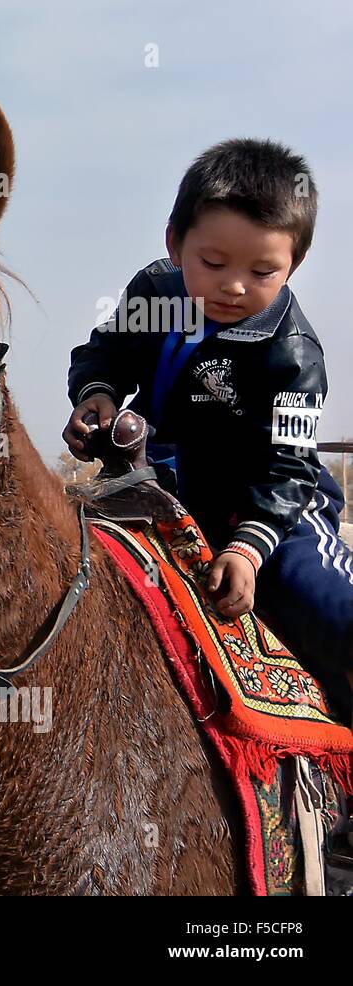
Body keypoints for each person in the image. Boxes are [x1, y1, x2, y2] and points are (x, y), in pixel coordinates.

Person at [63, 139, 353, 704]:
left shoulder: (292, 352)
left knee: (332, 615)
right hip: (160, 492)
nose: (235, 286)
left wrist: (246, 549)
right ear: (175, 243)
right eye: (214, 264)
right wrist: (96, 396)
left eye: (263, 270)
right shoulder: (154, 293)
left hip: (274, 510)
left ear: (295, 262)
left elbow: (288, 467)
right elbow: (106, 353)